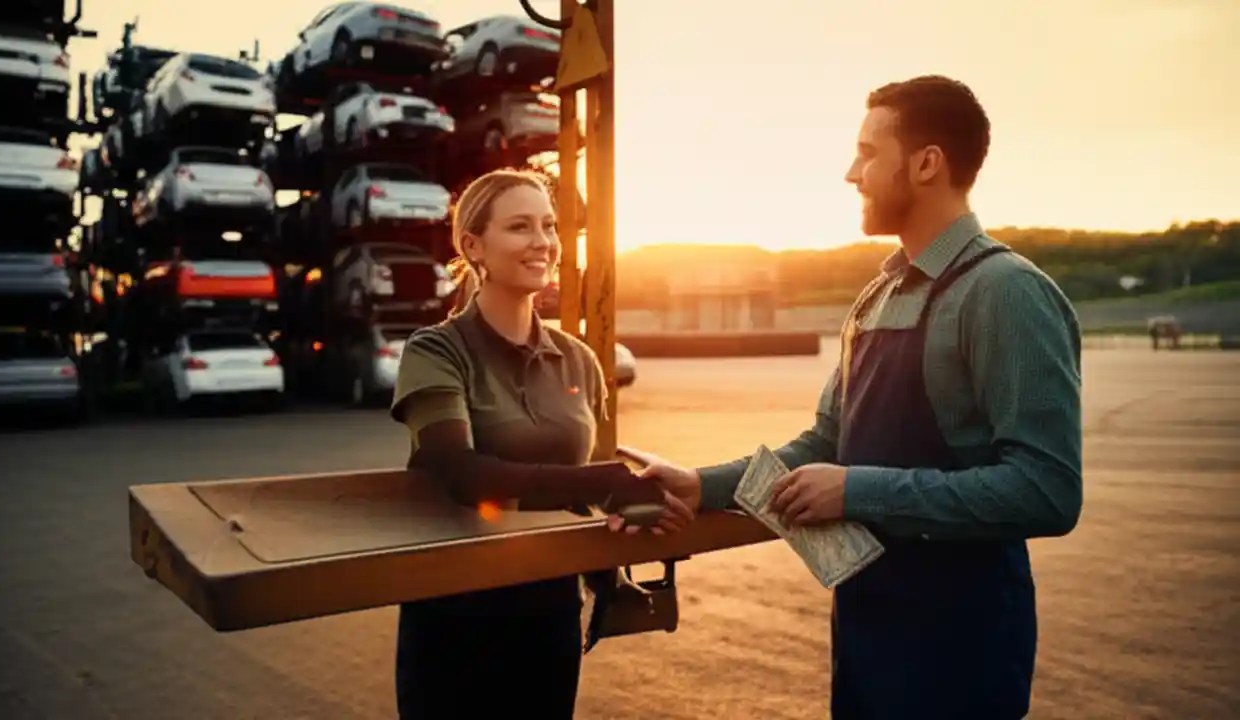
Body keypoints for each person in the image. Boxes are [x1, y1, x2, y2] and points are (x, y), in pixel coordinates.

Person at [616, 76, 1084, 719]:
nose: (850, 172)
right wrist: (702, 484)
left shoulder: (1005, 292)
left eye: (867, 152)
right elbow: (827, 444)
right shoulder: (878, 295)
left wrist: (858, 490)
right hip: (869, 637)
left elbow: (1046, 490)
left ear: (926, 163)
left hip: (960, 652)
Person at [388, 169, 690, 719]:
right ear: (473, 245)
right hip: (455, 615)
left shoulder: (580, 360)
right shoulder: (435, 351)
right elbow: (457, 471)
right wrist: (605, 483)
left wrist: (621, 553)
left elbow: (591, 483)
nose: (543, 242)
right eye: (520, 227)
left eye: (549, 227)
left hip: (549, 612)